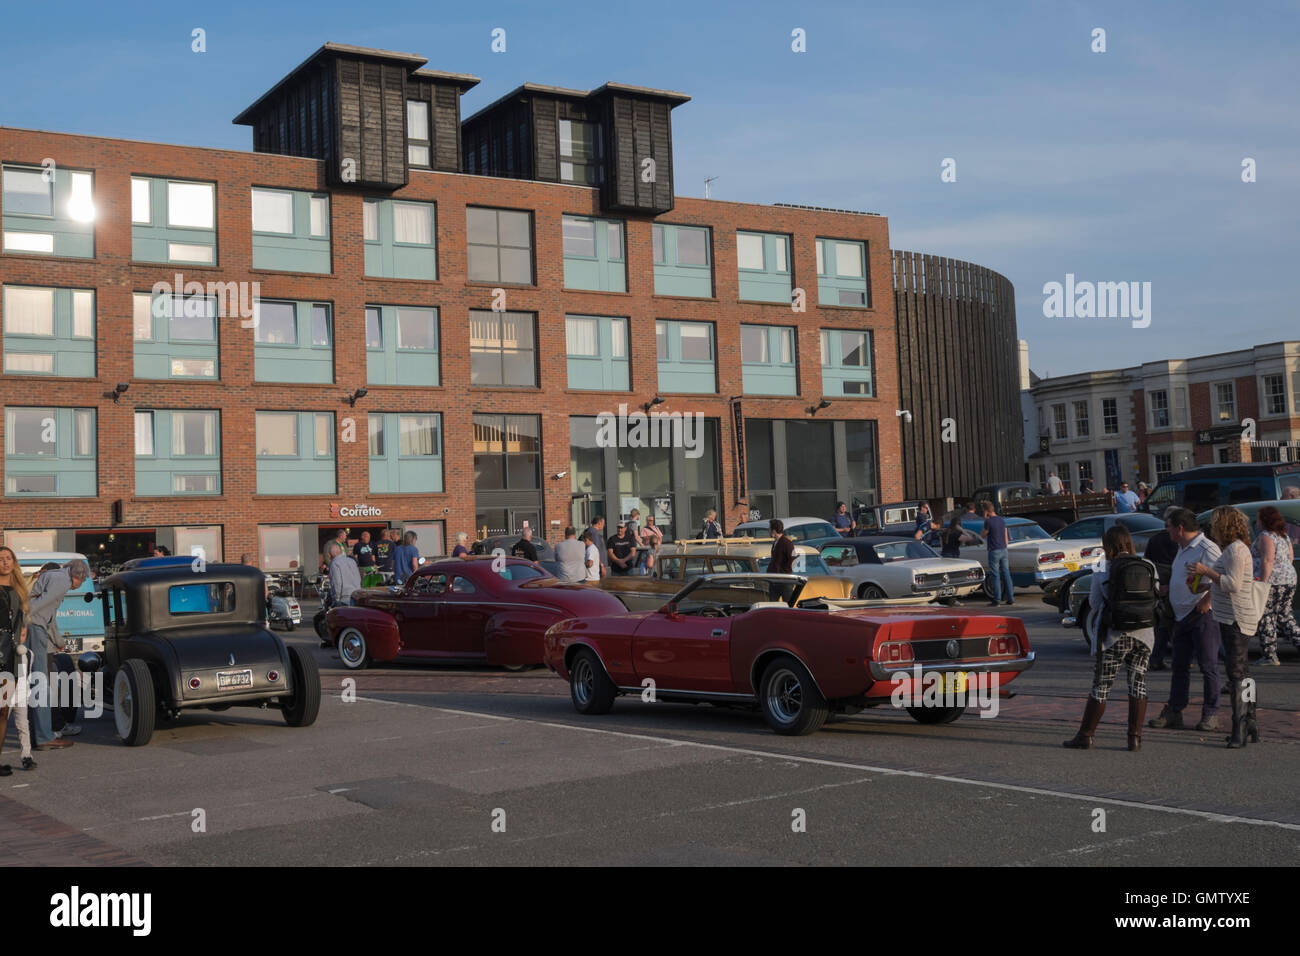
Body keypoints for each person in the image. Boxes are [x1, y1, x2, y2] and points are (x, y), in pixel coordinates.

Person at [1064, 526, 1157, 750]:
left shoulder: (1102, 567)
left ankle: (1086, 735)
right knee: (1138, 683)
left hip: (1114, 634)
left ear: (1107, 546)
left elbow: (1095, 603)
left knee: (1102, 685)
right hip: (1144, 634)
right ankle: (1134, 738)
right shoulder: (1148, 565)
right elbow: (1155, 595)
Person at [1188, 506, 1261, 748]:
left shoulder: (1236, 550)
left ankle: (1239, 727)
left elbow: (1233, 584)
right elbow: (1225, 581)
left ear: (1225, 526)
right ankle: (1250, 721)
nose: (1212, 529)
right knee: (1243, 672)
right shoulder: (1233, 549)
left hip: (1236, 618)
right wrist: (1206, 585)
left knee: (1236, 673)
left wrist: (1206, 571)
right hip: (1233, 616)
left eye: (1215, 524)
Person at [1148, 508, 1223, 732]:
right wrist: (1170, 589)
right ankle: (1175, 710)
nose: (1167, 531)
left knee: (1208, 665)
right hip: (1181, 615)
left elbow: (1221, 579)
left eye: (1169, 526)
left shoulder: (1207, 548)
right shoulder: (1182, 548)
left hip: (1201, 614)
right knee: (1179, 665)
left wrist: (1207, 600)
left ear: (1180, 528)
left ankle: (1211, 713)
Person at [27, 560, 90, 747]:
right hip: (35, 627)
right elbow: (39, 606)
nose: (79, 585)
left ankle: (38, 734)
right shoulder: (62, 581)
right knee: (41, 683)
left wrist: (59, 641)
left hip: (34, 625)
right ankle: (44, 737)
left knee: (36, 682)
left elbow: (49, 613)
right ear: (77, 576)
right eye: (81, 581)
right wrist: (24, 620)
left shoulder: (54, 576)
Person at [0, 546, 35, 775]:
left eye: (8, 558)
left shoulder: (19, 589)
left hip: (14, 655)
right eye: (0, 559)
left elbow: (22, 620)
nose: (5, 562)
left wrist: (24, 630)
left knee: (4, 710)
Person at [1252, 505, 1300, 666]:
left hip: (1272, 581)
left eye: (1259, 518)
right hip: (1289, 579)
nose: (1257, 521)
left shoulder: (1266, 536)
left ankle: (1270, 654)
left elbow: (1267, 560)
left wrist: (1263, 583)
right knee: (1285, 615)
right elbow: (1290, 557)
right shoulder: (1284, 536)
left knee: (1266, 616)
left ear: (1264, 520)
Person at [1143, 526, 1179, 670]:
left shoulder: (1154, 539)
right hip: (1176, 586)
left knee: (1161, 625)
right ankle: (1182, 658)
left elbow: (1147, 563)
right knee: (1176, 625)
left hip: (1159, 586)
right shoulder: (1179, 540)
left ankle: (1156, 659)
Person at [980, 501, 1015, 607]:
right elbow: (1006, 536)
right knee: (1006, 573)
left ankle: (997, 600)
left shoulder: (988, 521)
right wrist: (1005, 546)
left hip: (994, 550)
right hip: (1003, 549)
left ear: (986, 511)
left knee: (995, 575)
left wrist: (985, 519)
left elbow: (983, 535)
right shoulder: (1001, 520)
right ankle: (1010, 598)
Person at [325, 541, 361, 608]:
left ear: (330, 554)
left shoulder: (335, 563)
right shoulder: (352, 561)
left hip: (344, 599)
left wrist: (336, 599)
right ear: (341, 551)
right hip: (356, 596)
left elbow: (337, 583)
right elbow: (358, 578)